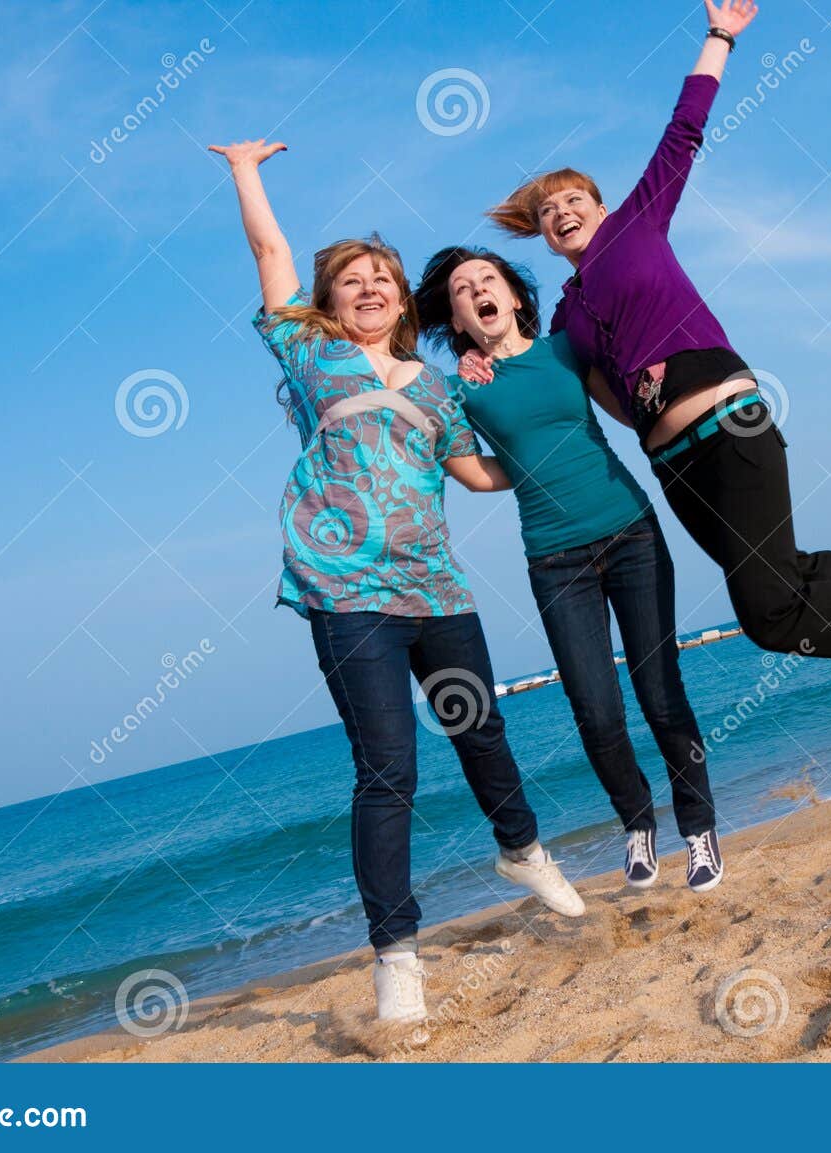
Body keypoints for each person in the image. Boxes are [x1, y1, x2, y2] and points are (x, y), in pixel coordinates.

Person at [468, 0, 831, 693]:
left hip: (729, 424)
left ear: (602, 207)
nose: (562, 212)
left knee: (766, 612)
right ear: (543, 236)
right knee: (784, 578)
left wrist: (720, 37)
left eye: (574, 198)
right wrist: (480, 361)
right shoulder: (563, 315)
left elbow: (684, 129)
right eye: (548, 213)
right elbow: (551, 380)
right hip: (673, 464)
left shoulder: (636, 225)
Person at [209, 138, 583, 1026]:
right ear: (330, 302)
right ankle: (397, 956)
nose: (371, 286)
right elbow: (269, 257)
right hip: (346, 596)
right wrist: (245, 173)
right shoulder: (311, 356)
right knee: (388, 771)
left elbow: (477, 474)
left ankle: (523, 851)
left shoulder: (440, 384)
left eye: (384, 276)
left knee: (481, 733)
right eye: (353, 279)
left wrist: (553, 442)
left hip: (437, 592)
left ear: (400, 297)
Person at [417, 245, 725, 893]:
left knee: (661, 693)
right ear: (459, 323)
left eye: (487, 280)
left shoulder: (565, 349)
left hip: (631, 533)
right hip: (555, 561)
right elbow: (474, 474)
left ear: (515, 295)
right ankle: (637, 821)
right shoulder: (463, 391)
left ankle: (698, 827)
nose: (477, 291)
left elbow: (629, 402)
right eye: (462, 292)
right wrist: (530, 470)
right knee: (595, 709)